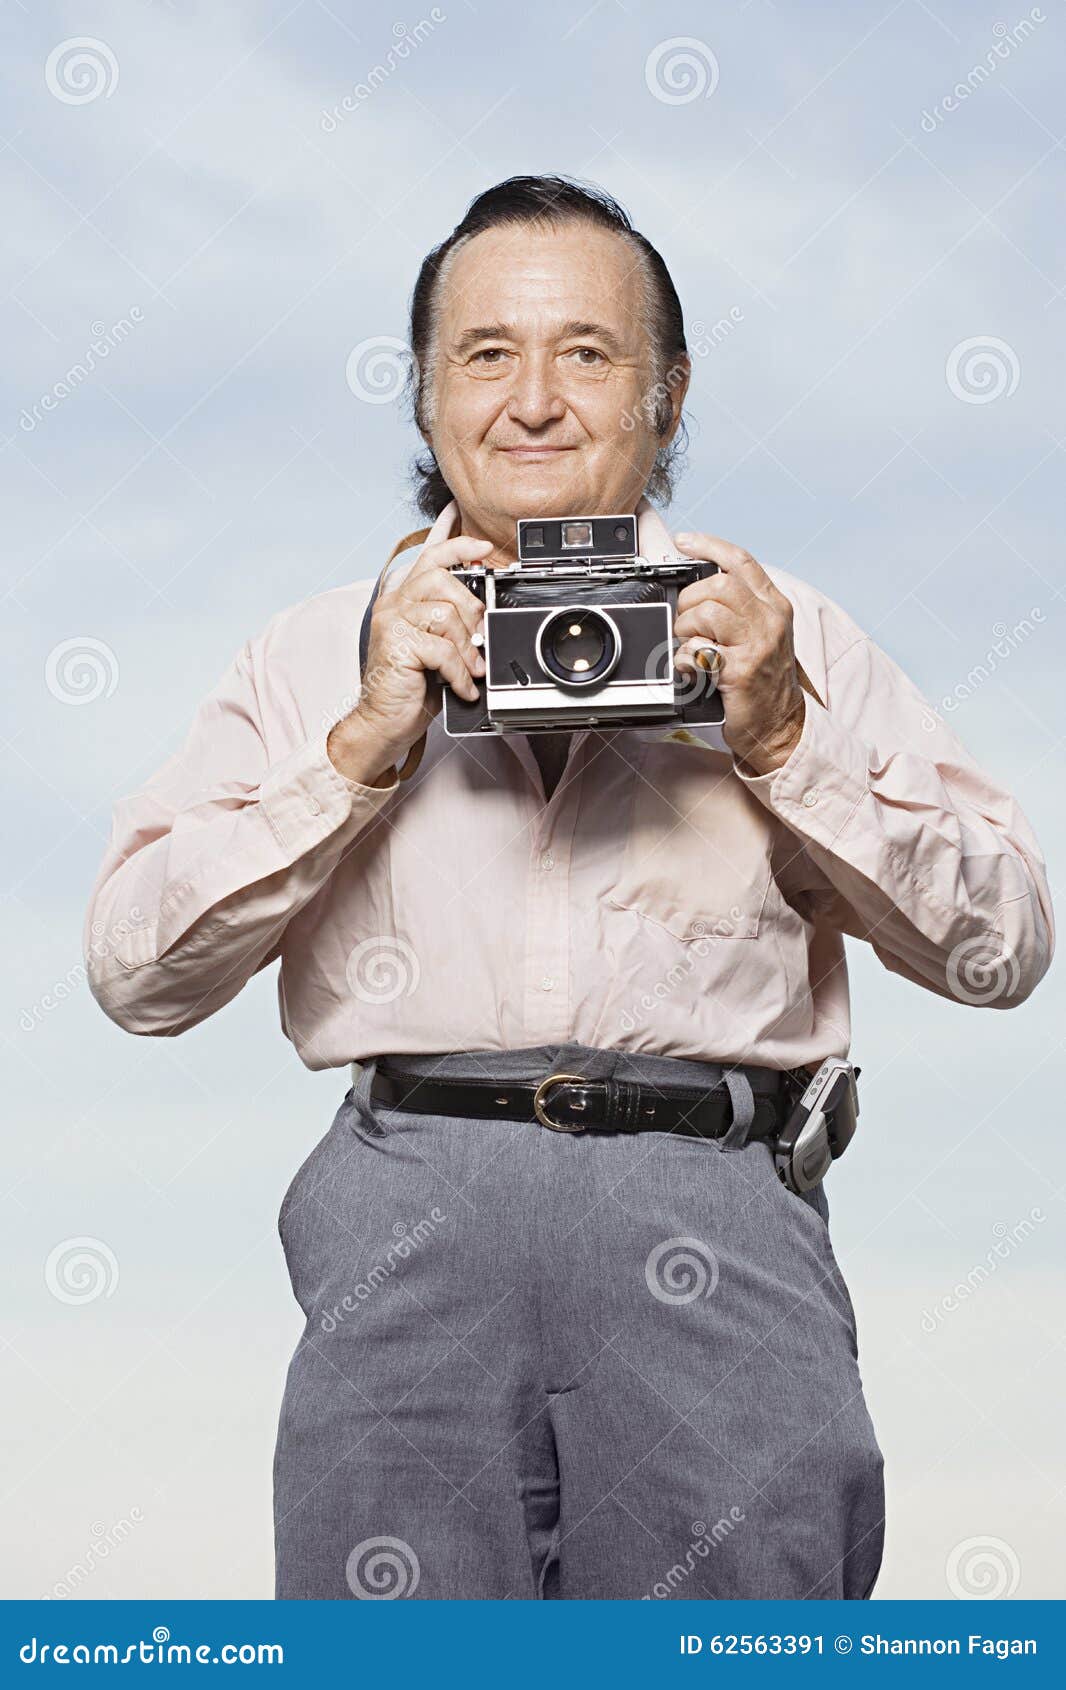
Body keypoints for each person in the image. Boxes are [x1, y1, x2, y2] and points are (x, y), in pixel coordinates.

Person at [84, 176, 1053, 1602]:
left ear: (665, 397)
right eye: (486, 355)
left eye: (586, 354)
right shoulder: (306, 655)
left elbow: (1005, 943)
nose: (532, 399)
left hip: (712, 1214)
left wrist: (782, 738)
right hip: (407, 1218)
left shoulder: (789, 634)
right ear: (424, 399)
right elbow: (133, 974)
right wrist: (357, 745)